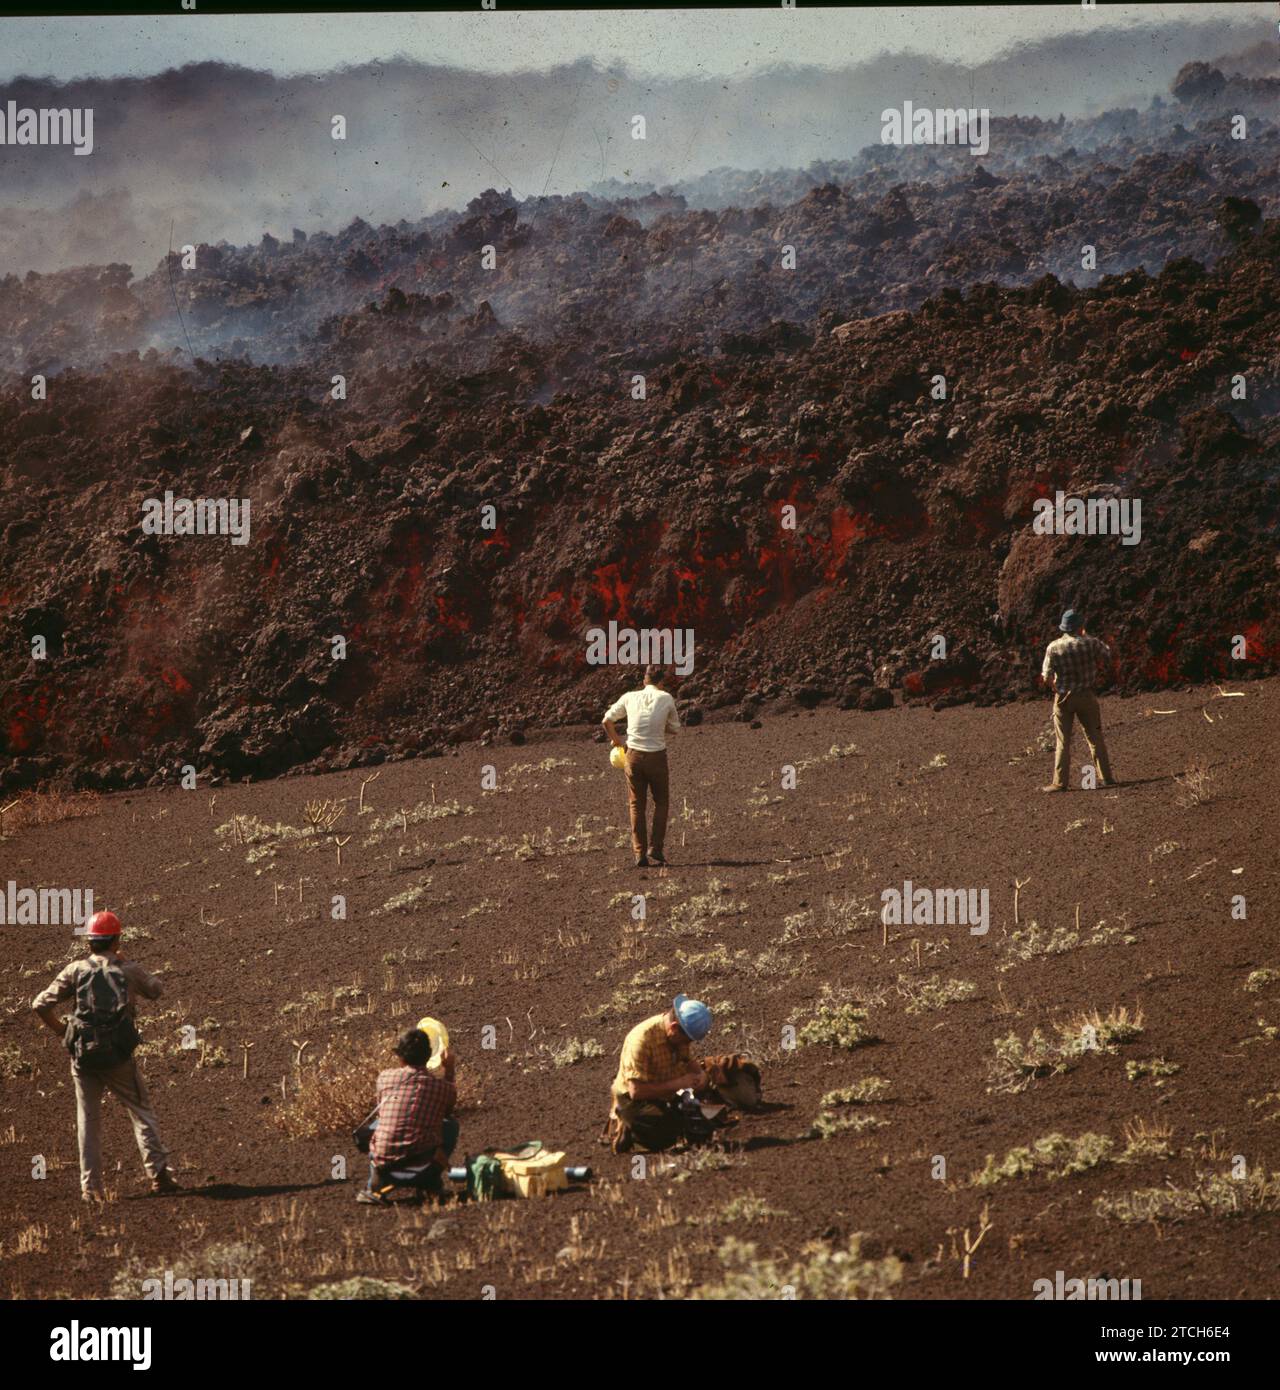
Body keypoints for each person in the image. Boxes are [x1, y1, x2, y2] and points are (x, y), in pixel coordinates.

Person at [32, 910, 179, 1203]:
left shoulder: (75, 970)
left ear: (89, 943)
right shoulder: (127, 970)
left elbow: (40, 1004)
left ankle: (91, 1189)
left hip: (82, 1057)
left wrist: (63, 1032)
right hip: (117, 1056)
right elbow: (156, 990)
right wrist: (126, 963)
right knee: (141, 1112)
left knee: (88, 1120)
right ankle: (159, 1175)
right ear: (117, 939)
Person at [358, 1026, 459, 1205]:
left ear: (401, 1057)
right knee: (450, 1125)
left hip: (385, 1167)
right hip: (423, 1169)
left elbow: (383, 1113)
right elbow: (448, 1111)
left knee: (378, 1124)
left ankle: (373, 1184)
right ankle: (432, 1183)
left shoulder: (384, 1078)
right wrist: (449, 1070)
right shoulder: (442, 1087)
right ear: (429, 1057)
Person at [607, 995, 712, 1152]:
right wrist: (681, 1083)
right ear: (674, 1028)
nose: (688, 1044)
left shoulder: (677, 1037)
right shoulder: (641, 1040)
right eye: (687, 1040)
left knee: (701, 1126)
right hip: (633, 1098)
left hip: (665, 1089)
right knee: (663, 1135)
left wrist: (701, 1075)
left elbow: (687, 1060)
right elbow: (636, 1091)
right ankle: (626, 1128)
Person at [602, 664, 681, 868]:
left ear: (645, 679)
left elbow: (606, 721)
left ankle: (639, 853)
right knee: (661, 801)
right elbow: (675, 728)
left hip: (633, 756)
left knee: (636, 804)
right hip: (656, 757)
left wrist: (618, 741)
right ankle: (655, 847)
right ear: (661, 681)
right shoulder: (666, 698)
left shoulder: (629, 697)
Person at [1040, 609, 1119, 792]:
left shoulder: (1054, 647)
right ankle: (1106, 778)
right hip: (1086, 695)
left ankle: (1060, 783)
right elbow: (1108, 655)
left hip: (1063, 698)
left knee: (1063, 741)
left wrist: (1055, 688)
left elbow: (1046, 676)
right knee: (1095, 737)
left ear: (1064, 627)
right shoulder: (1090, 643)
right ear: (1080, 627)